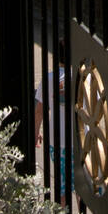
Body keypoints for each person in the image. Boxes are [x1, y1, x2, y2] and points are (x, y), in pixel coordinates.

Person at [35, 40, 68, 197]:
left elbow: (39, 111)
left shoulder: (49, 78)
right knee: (83, 186)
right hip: (82, 139)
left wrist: (36, 132)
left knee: (63, 184)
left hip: (57, 138)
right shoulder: (85, 79)